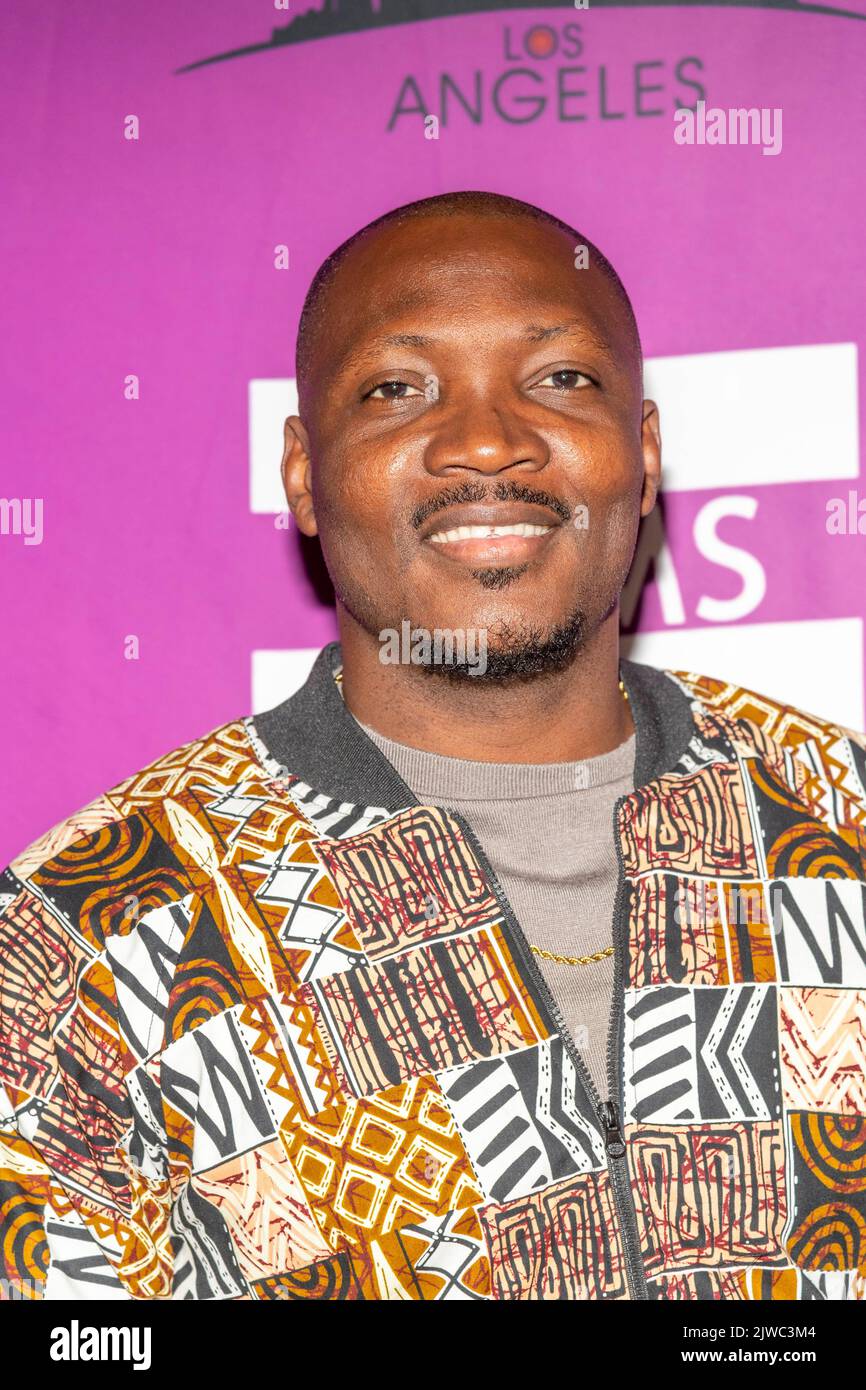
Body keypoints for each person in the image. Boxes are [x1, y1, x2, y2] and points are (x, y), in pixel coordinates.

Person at [2, 191, 865, 1302]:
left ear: (641, 455)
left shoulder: (837, 822)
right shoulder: (92, 930)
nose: (486, 443)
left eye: (559, 378)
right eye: (395, 389)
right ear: (305, 477)